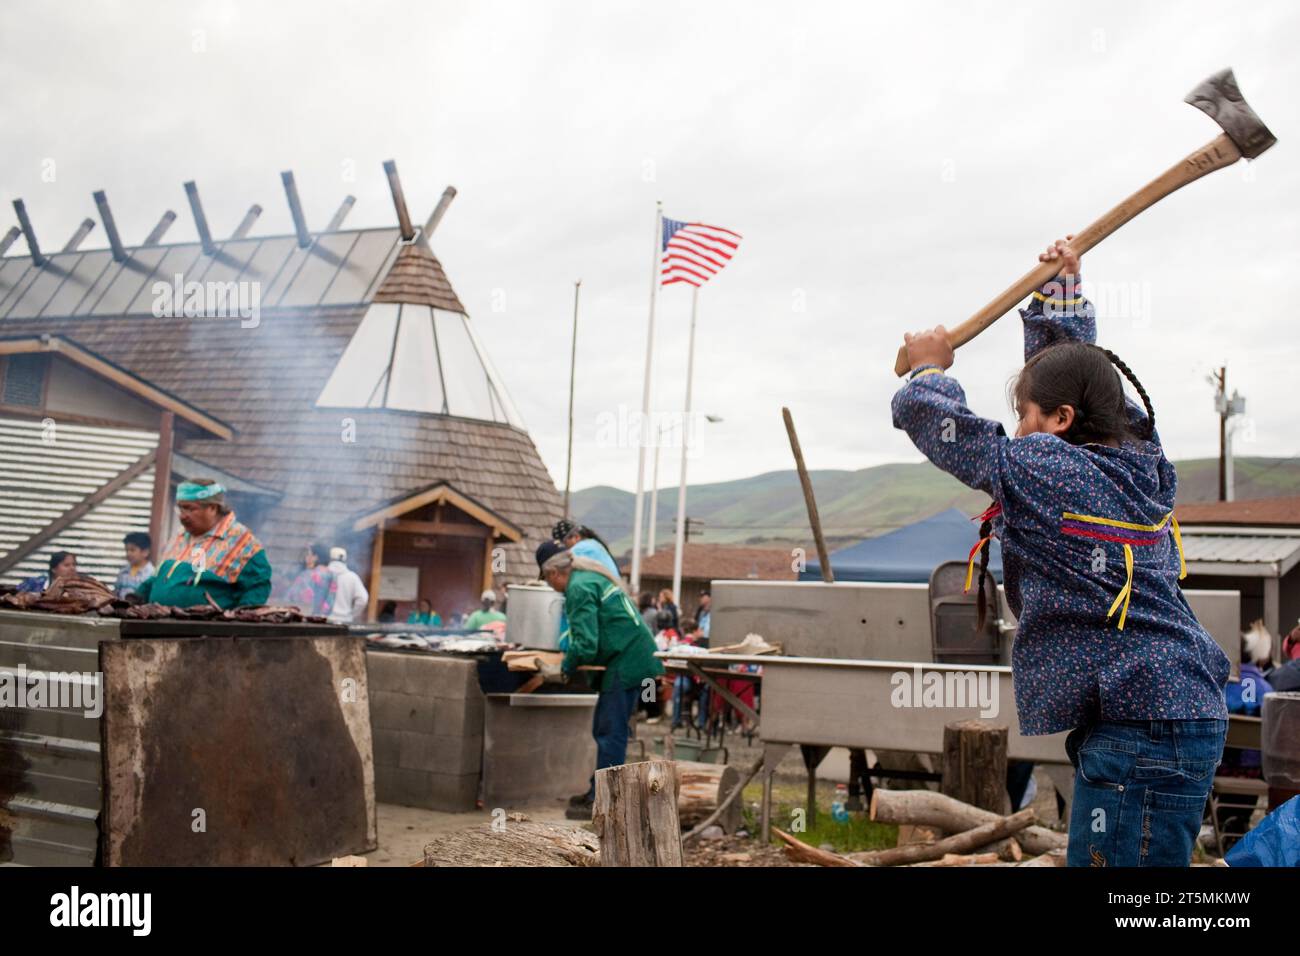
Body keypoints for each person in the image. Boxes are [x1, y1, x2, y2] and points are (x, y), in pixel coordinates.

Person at [892, 236, 1230, 868]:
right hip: (1171, 712)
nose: (1018, 431)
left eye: (1023, 416)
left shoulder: (1051, 469)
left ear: (1059, 422)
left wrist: (929, 371)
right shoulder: (1139, 458)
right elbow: (1086, 389)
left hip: (1144, 725)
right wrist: (1061, 295)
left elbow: (951, 434)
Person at [538, 543, 664, 820]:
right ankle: (599, 790)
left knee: (610, 731)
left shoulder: (578, 587)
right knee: (605, 728)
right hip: (631, 655)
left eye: (547, 581)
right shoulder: (587, 578)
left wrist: (562, 669)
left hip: (627, 659)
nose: (551, 586)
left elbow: (585, 643)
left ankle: (608, 802)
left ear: (554, 573)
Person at [135, 481, 272, 609]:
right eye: (180, 509)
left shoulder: (242, 542)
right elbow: (158, 577)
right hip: (158, 627)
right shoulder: (180, 536)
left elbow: (256, 589)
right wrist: (136, 597)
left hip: (206, 632)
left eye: (190, 509)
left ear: (212, 508)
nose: (183, 516)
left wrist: (237, 624)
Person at [553, 519, 621, 580]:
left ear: (576, 537)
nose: (565, 547)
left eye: (564, 543)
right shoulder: (593, 543)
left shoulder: (580, 548)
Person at [284, 542, 335, 616]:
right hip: (325, 618)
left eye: (308, 554)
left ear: (315, 557)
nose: (306, 558)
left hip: (306, 616)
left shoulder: (307, 575)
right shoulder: (332, 574)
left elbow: (291, 597)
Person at [326, 547, 369, 624]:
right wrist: (352, 614)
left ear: (330, 558)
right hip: (344, 621)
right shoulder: (352, 577)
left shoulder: (321, 574)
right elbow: (363, 599)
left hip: (324, 620)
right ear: (345, 560)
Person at [114, 533, 154, 599]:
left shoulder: (151, 574)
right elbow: (116, 592)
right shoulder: (123, 571)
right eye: (126, 550)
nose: (128, 553)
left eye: (132, 550)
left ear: (145, 552)